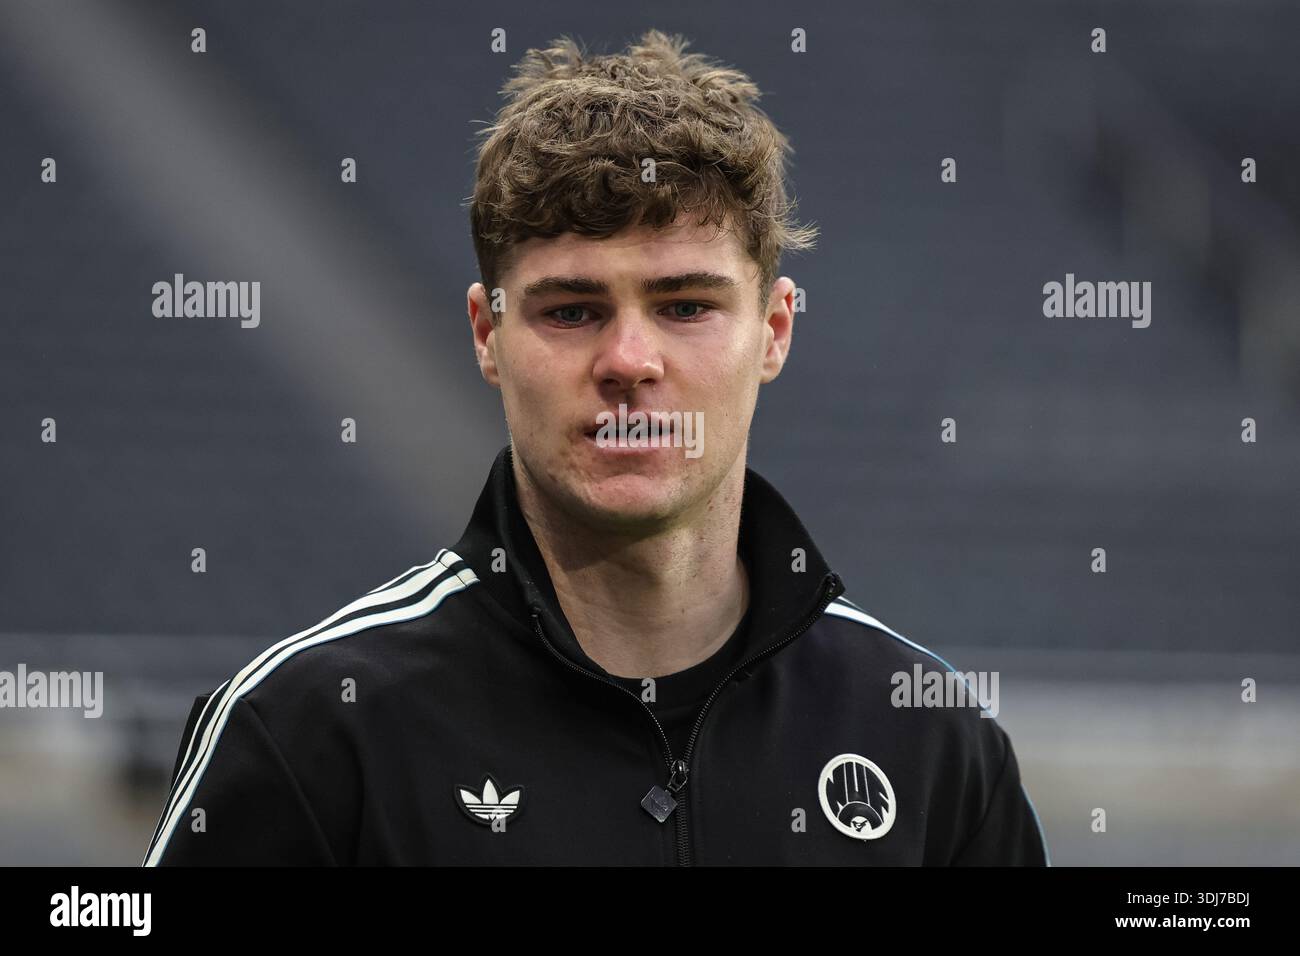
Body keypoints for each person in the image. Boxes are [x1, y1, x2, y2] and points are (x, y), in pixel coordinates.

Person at [144, 29, 1048, 866]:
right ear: (487, 335)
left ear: (774, 330)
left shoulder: (928, 739)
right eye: (572, 311)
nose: (628, 361)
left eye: (686, 306)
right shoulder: (310, 732)